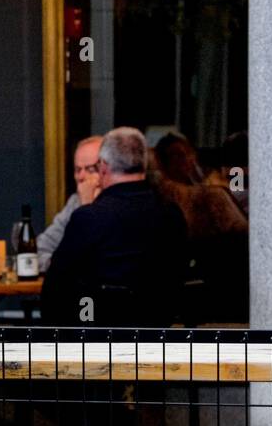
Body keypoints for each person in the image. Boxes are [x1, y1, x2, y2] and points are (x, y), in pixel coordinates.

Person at [41, 127, 188, 328]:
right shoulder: (171, 214)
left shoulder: (89, 216)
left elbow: (54, 291)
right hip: (156, 334)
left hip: (96, 338)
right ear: (144, 164)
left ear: (103, 168)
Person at [151, 131, 248, 321]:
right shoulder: (215, 188)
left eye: (187, 154)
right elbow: (237, 197)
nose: (187, 160)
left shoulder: (207, 180)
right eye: (179, 155)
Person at [36, 135, 103, 271]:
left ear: (106, 170)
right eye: (78, 170)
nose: (81, 176)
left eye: (90, 169)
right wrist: (62, 266)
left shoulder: (119, 204)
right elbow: (38, 251)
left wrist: (87, 206)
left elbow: (98, 258)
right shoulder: (75, 202)